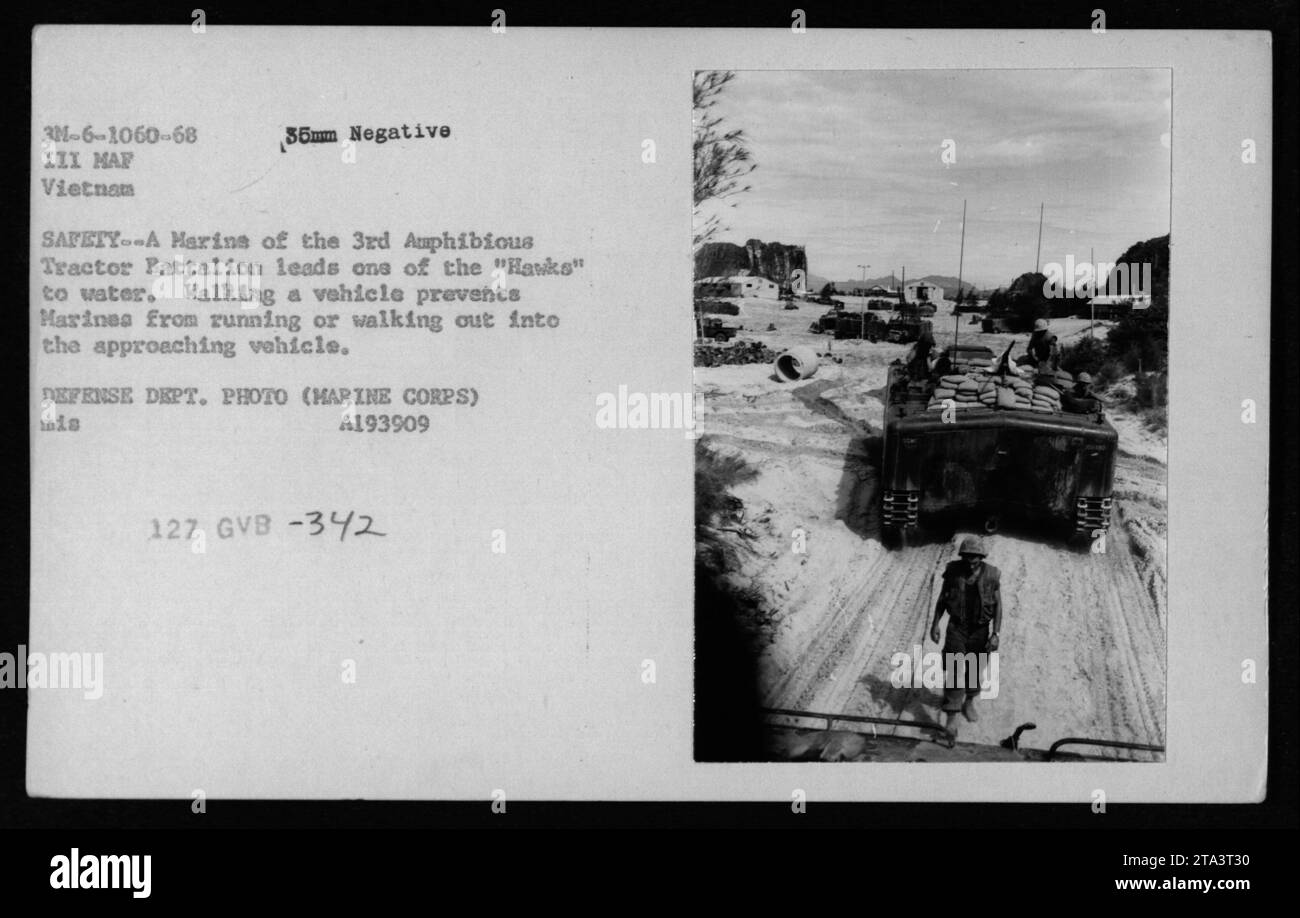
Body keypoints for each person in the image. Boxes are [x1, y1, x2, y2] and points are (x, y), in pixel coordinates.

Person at [929, 535, 1002, 743]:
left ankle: (969, 701)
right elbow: (943, 598)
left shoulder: (991, 575)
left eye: (976, 557)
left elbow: (998, 606)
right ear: (962, 556)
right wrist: (935, 624)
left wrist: (995, 633)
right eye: (968, 556)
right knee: (953, 668)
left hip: (980, 630)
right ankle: (951, 716)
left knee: (975, 669)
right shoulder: (953, 571)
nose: (971, 561)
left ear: (981, 557)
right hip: (957, 627)